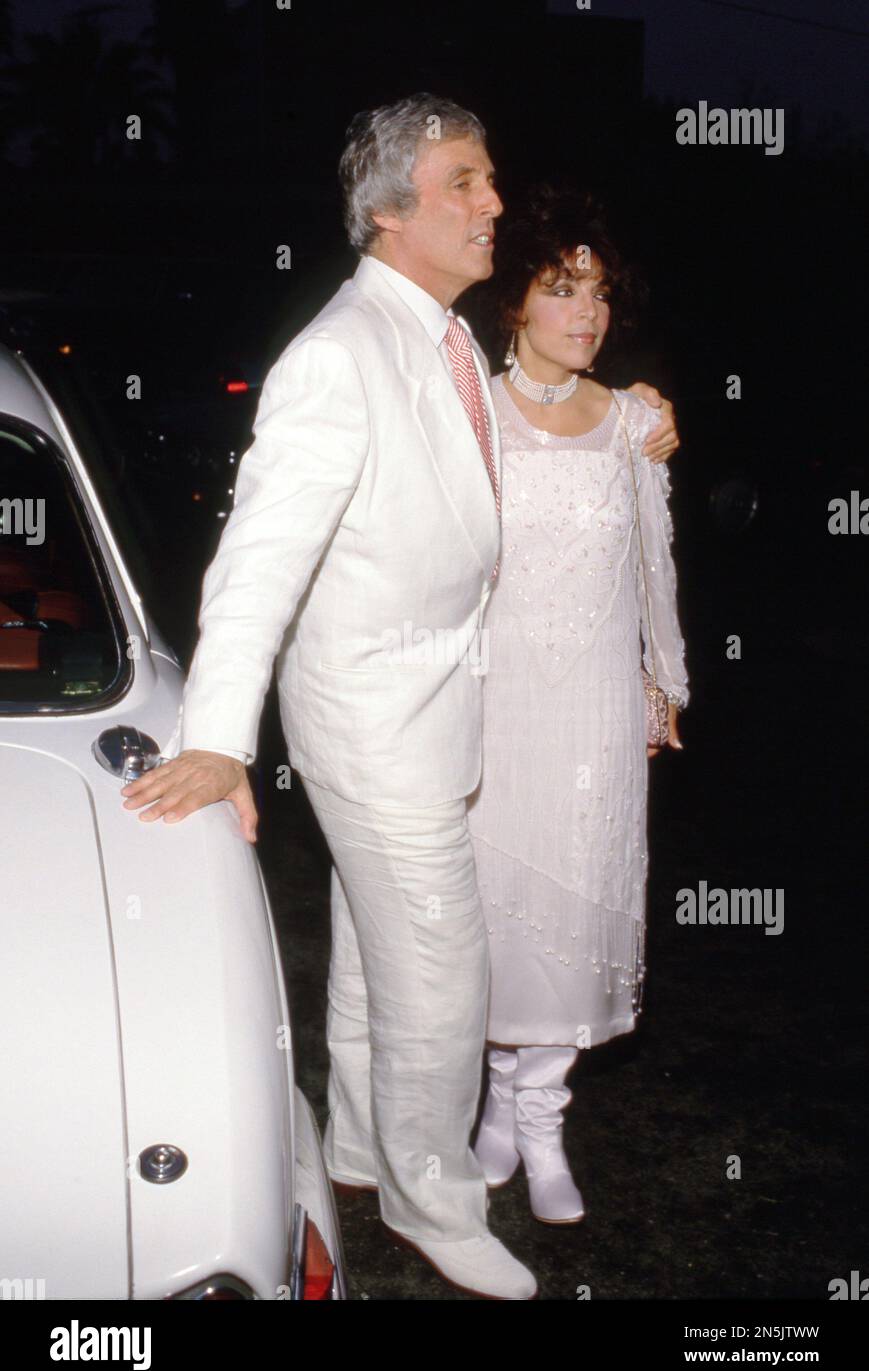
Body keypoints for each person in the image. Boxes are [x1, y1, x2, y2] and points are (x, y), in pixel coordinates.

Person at [119, 97, 678, 1299]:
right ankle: (437, 1197)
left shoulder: (441, 338)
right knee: (440, 964)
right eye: (465, 184)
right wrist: (219, 739)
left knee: (378, 961)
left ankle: (370, 1149)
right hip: (375, 725)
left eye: (490, 181)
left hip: (436, 710)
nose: (491, 204)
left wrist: (641, 419)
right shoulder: (339, 355)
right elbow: (258, 561)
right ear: (389, 213)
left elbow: (529, 446)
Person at [467, 185, 689, 1225]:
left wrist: (665, 683)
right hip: (489, 703)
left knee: (568, 909)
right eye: (561, 290)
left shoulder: (636, 423)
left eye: (597, 293)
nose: (586, 313)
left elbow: (655, 571)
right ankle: (493, 1110)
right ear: (513, 299)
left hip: (594, 711)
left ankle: (542, 1119)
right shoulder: (464, 403)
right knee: (490, 909)